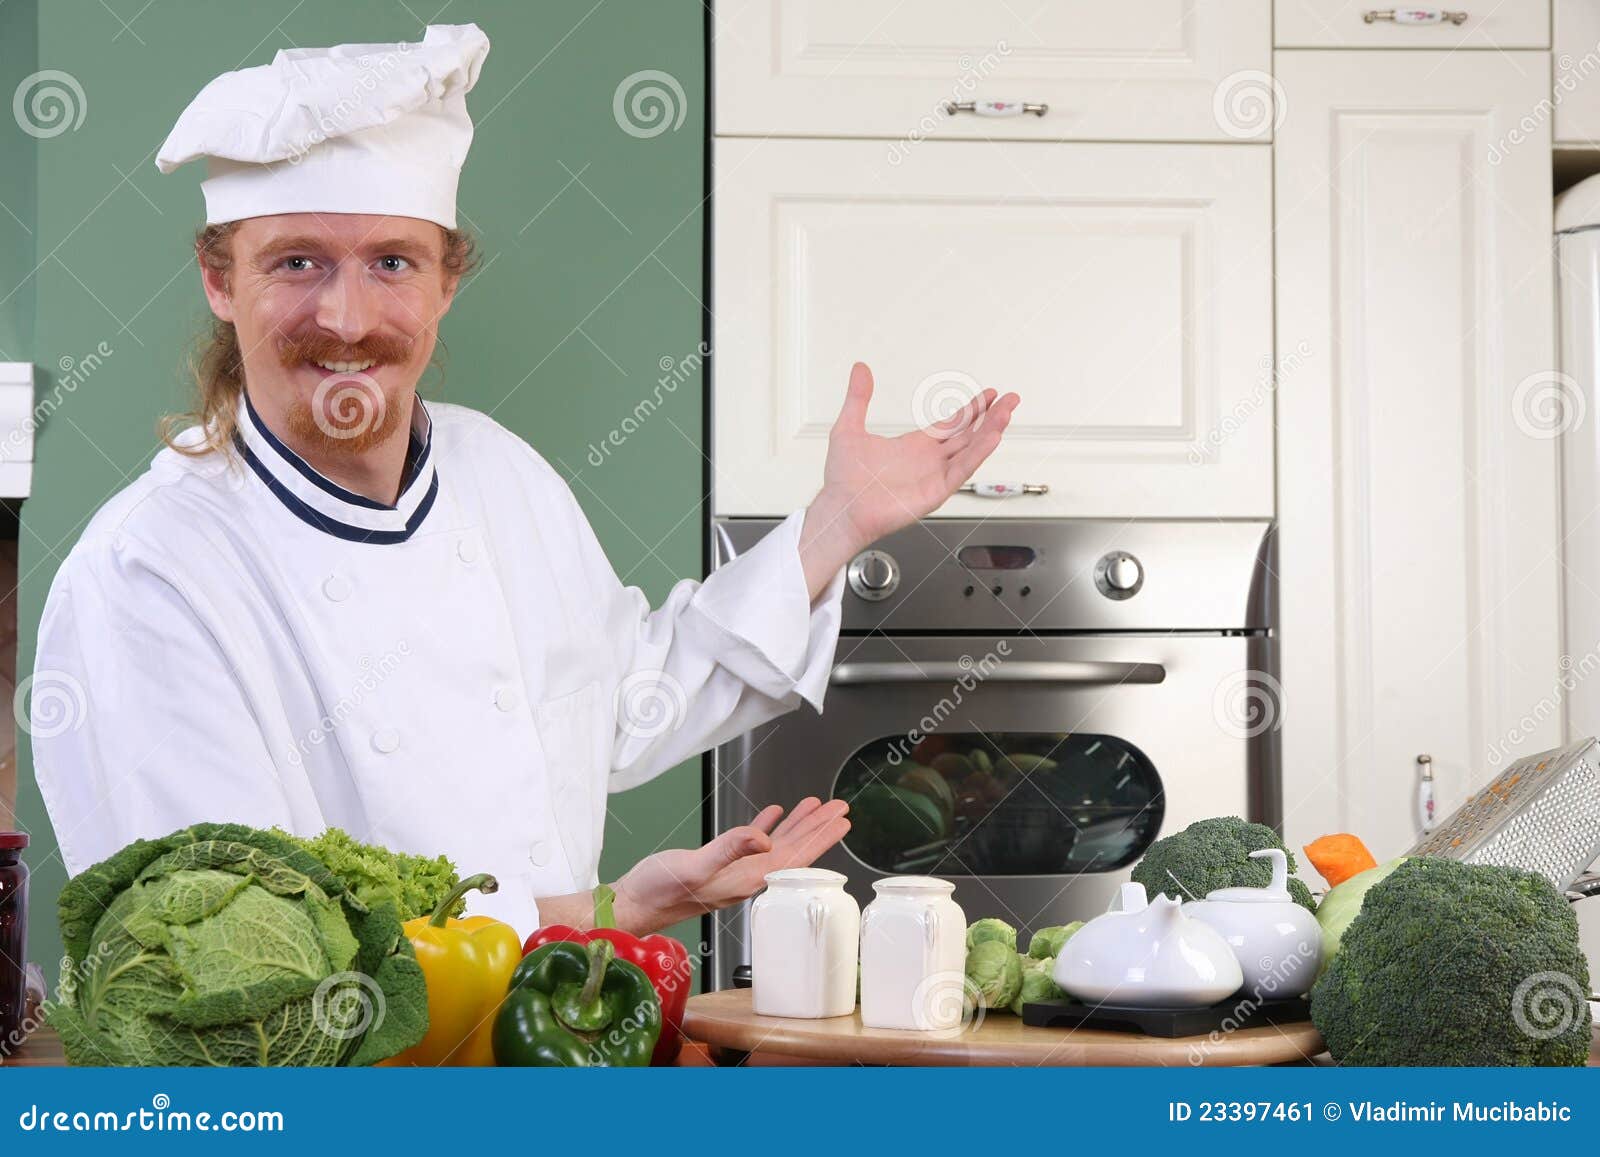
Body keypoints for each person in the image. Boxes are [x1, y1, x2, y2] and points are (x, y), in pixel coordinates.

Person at [29, 24, 1018, 937]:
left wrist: (837, 522)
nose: (346, 317)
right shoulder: (149, 572)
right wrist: (607, 909)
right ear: (219, 279)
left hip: (554, 1034)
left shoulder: (494, 469)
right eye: (296, 262)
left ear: (446, 283)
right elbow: (241, 945)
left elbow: (621, 702)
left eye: (391, 262)